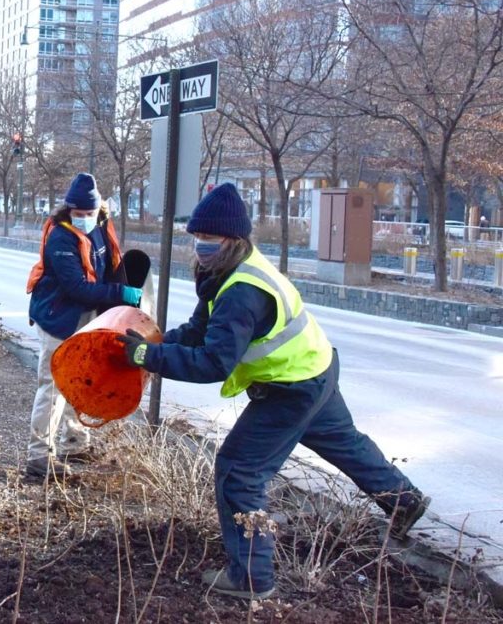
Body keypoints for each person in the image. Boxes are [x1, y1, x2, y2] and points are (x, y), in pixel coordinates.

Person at [117, 183, 429, 600]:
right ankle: (403, 500)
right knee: (344, 443)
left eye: (208, 239)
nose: (200, 245)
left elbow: (213, 361)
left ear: (232, 239)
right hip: (316, 367)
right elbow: (197, 332)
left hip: (292, 387)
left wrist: (148, 359)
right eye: (196, 237)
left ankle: (251, 576)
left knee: (239, 472)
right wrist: (152, 344)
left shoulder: (243, 292)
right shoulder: (231, 272)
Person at [25, 172, 142, 481]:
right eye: (78, 214)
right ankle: (39, 457)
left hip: (83, 318)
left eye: (89, 213)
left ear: (98, 209)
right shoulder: (61, 238)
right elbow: (78, 288)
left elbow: (105, 270)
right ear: (69, 210)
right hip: (57, 319)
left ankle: (74, 442)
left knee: (79, 379)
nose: (84, 219)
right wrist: (119, 294)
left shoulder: (101, 227)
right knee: (54, 387)